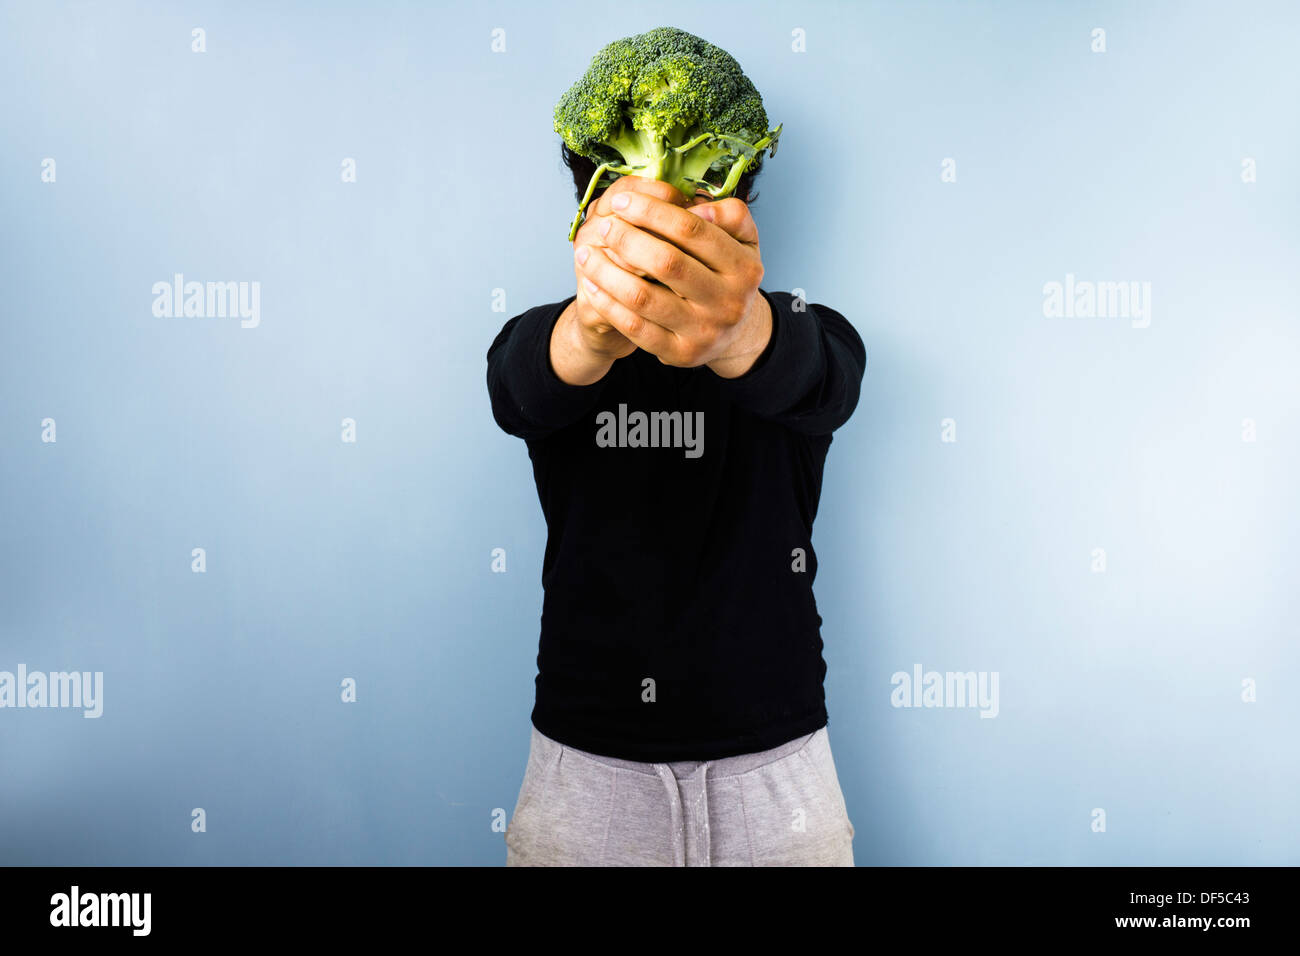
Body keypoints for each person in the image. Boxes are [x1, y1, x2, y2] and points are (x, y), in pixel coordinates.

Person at [485, 142, 866, 866]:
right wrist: (593, 326)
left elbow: (823, 381)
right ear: (591, 206)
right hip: (587, 775)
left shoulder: (806, 332)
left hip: (781, 774)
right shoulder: (546, 339)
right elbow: (518, 388)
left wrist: (737, 330)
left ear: (730, 203)